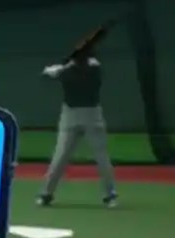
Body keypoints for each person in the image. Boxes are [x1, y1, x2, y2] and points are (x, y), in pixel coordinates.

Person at [37, 44, 118, 208]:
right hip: (74, 116)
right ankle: (46, 193)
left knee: (100, 157)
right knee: (61, 156)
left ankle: (110, 195)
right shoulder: (88, 68)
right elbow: (48, 74)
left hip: (88, 115)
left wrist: (57, 69)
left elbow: (51, 73)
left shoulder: (74, 71)